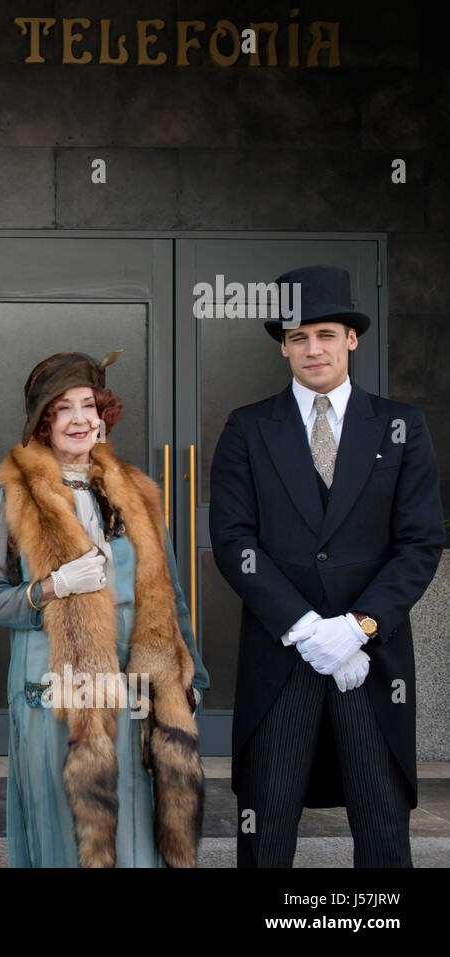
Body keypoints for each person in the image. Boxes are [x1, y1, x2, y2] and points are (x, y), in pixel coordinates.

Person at [209, 264, 444, 868]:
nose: (312, 350)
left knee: (382, 820)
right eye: (297, 338)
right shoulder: (249, 427)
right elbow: (234, 538)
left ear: (352, 339)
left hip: (372, 659)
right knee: (268, 818)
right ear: (284, 346)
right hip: (281, 655)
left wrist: (357, 626)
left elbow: (420, 543)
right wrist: (306, 627)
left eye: (326, 335)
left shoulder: (401, 425)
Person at [0, 350, 208, 868]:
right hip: (54, 694)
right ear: (43, 423)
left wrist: (191, 673)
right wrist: (51, 588)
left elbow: (170, 593)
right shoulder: (15, 494)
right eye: (64, 408)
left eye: (89, 406)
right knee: (66, 834)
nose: (81, 419)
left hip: (134, 688)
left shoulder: (138, 492)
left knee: (134, 834)